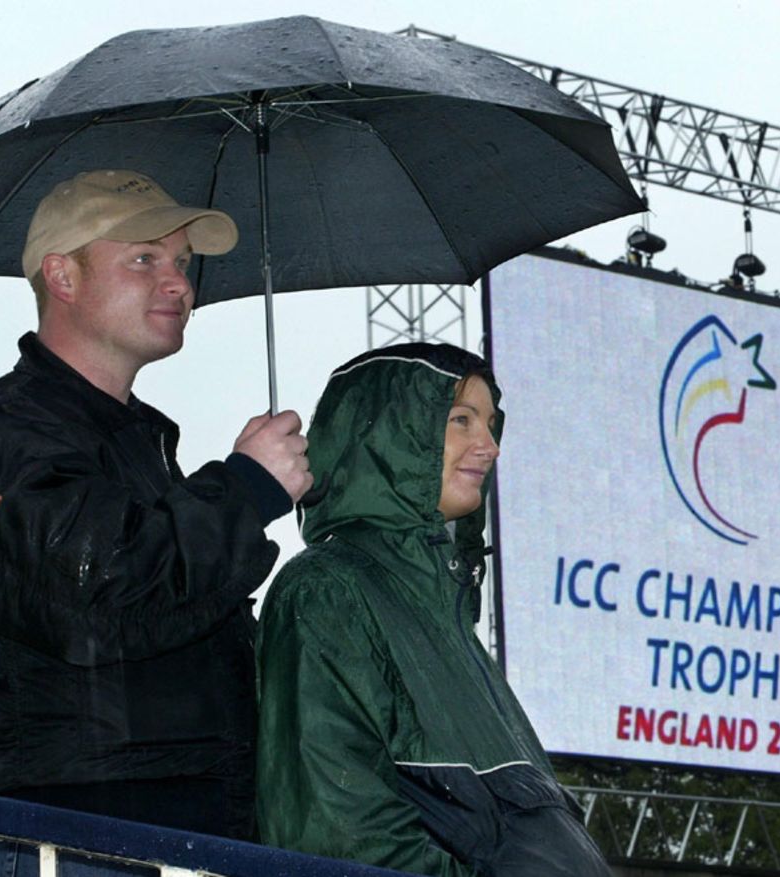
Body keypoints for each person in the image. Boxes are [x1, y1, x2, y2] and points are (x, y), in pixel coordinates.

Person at [0, 170, 312, 853]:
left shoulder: (130, 447)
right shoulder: (7, 438)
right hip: (77, 837)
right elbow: (104, 596)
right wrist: (244, 490)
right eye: (145, 258)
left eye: (183, 263)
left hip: (180, 832)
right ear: (61, 276)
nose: (181, 284)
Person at [255, 343, 610, 876]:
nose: (488, 446)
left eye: (490, 424)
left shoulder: (446, 611)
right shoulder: (327, 591)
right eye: (460, 420)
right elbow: (338, 833)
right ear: (388, 436)